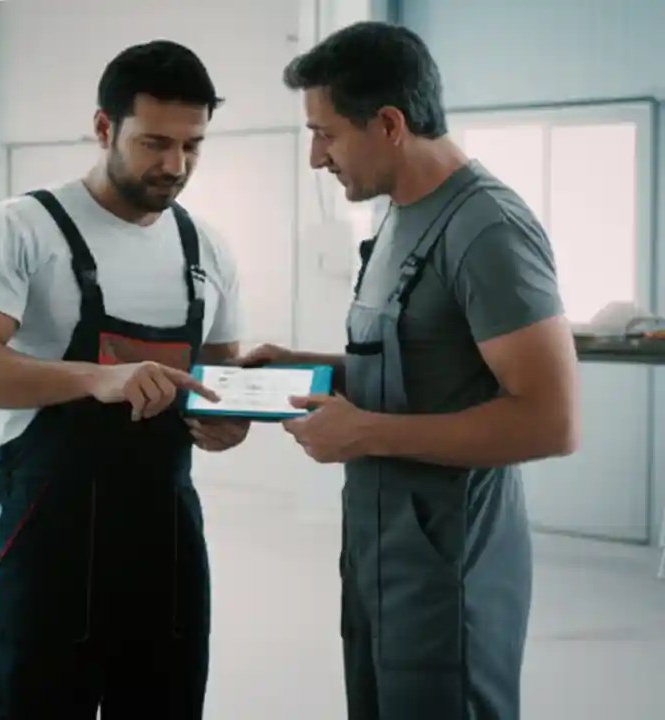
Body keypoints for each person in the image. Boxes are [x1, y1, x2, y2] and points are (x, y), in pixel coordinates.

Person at [248, 21, 581, 720]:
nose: (315, 158)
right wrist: (307, 369)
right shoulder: (399, 219)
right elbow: (421, 365)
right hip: (381, 555)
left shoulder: (488, 229)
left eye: (326, 134)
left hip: (450, 571)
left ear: (390, 124)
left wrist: (365, 432)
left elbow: (551, 421)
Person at [0, 40, 251, 719]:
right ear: (105, 128)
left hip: (167, 540)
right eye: (154, 143)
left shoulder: (206, 248)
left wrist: (230, 423)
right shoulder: (24, 228)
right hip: (52, 536)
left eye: (192, 146)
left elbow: (222, 379)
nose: (174, 166)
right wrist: (95, 379)